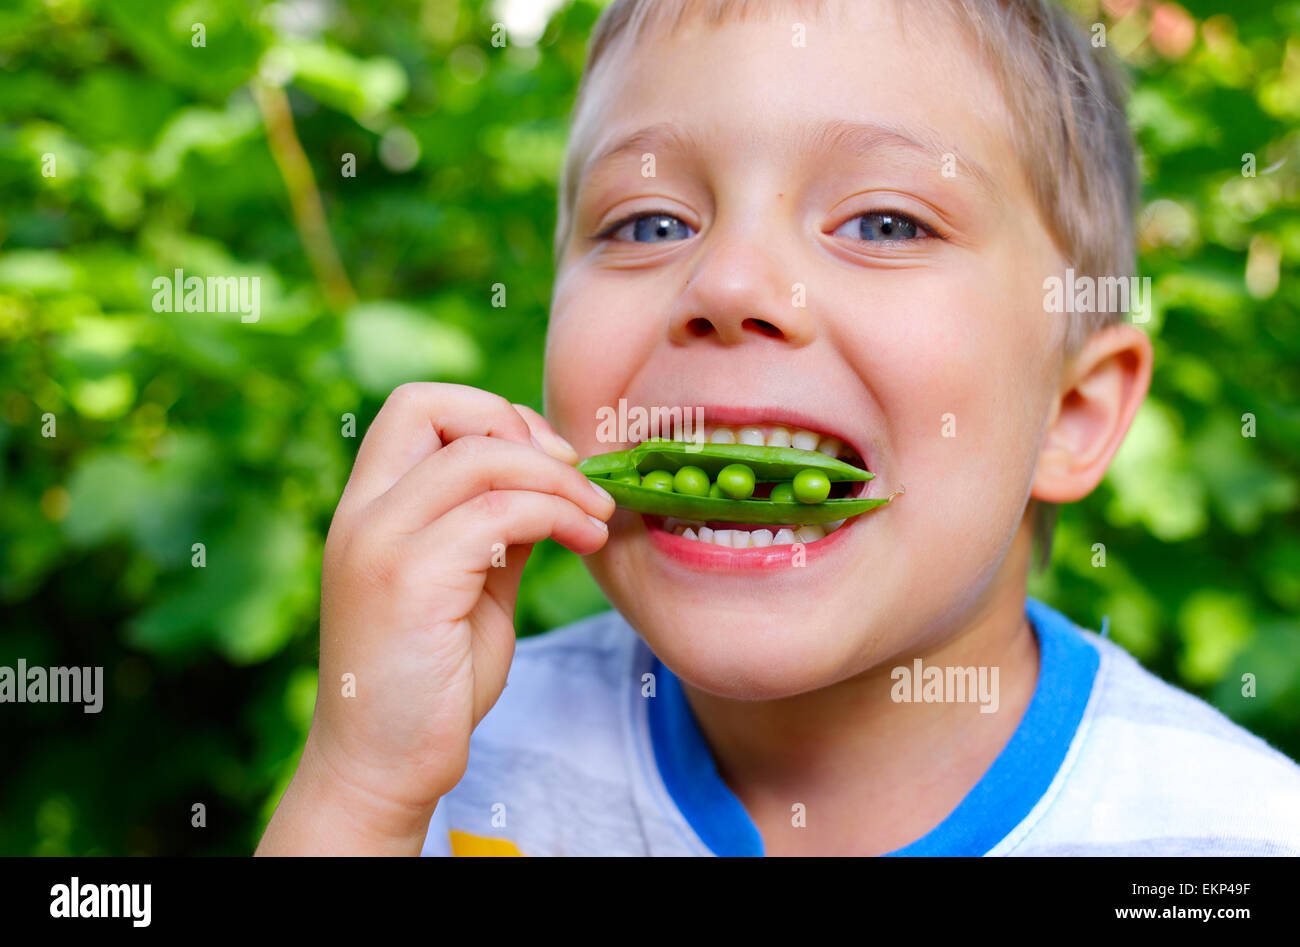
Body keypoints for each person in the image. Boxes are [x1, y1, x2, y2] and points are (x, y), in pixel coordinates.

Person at [256, 0, 1300, 856]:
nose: (729, 281)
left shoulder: (1227, 836)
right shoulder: (449, 755)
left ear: (1070, 413)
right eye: (648, 223)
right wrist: (358, 787)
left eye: (885, 222)